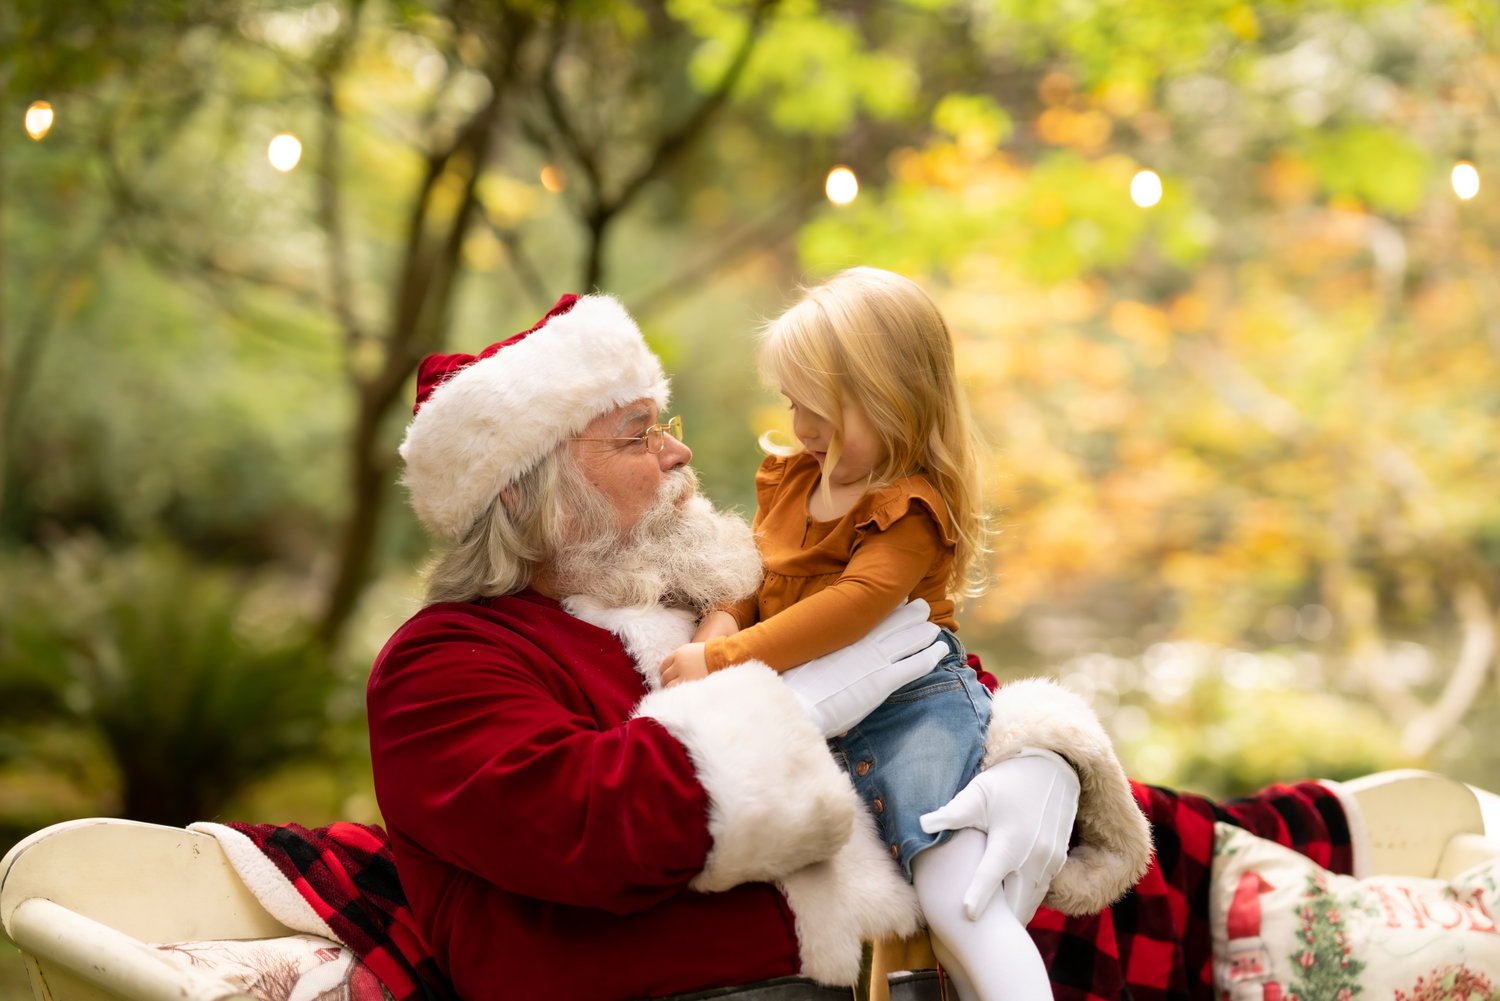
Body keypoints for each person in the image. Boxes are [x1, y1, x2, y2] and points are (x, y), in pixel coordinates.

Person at [367, 291, 1152, 1001]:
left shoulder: (700, 604)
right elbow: (592, 829)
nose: (678, 454)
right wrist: (789, 709)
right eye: (638, 436)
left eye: (667, 427)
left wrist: (1041, 759)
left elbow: (924, 667)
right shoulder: (441, 660)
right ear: (527, 493)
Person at [655, 267, 1051, 1001]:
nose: (804, 428)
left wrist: (727, 656)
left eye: (824, 410)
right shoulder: (791, 479)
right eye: (794, 404)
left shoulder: (909, 507)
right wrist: (723, 618)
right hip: (820, 714)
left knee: (955, 896)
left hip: (911, 709)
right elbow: (756, 572)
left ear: (894, 397)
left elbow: (855, 606)